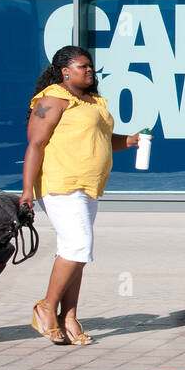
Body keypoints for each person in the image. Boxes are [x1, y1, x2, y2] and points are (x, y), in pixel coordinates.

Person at [19, 45, 138, 346]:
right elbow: (35, 144)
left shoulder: (93, 101)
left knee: (76, 254)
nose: (89, 70)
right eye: (82, 66)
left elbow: (103, 141)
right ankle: (46, 307)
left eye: (90, 66)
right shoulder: (52, 99)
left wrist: (132, 140)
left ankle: (68, 316)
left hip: (88, 187)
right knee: (79, 246)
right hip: (61, 185)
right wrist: (26, 192)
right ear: (64, 71)